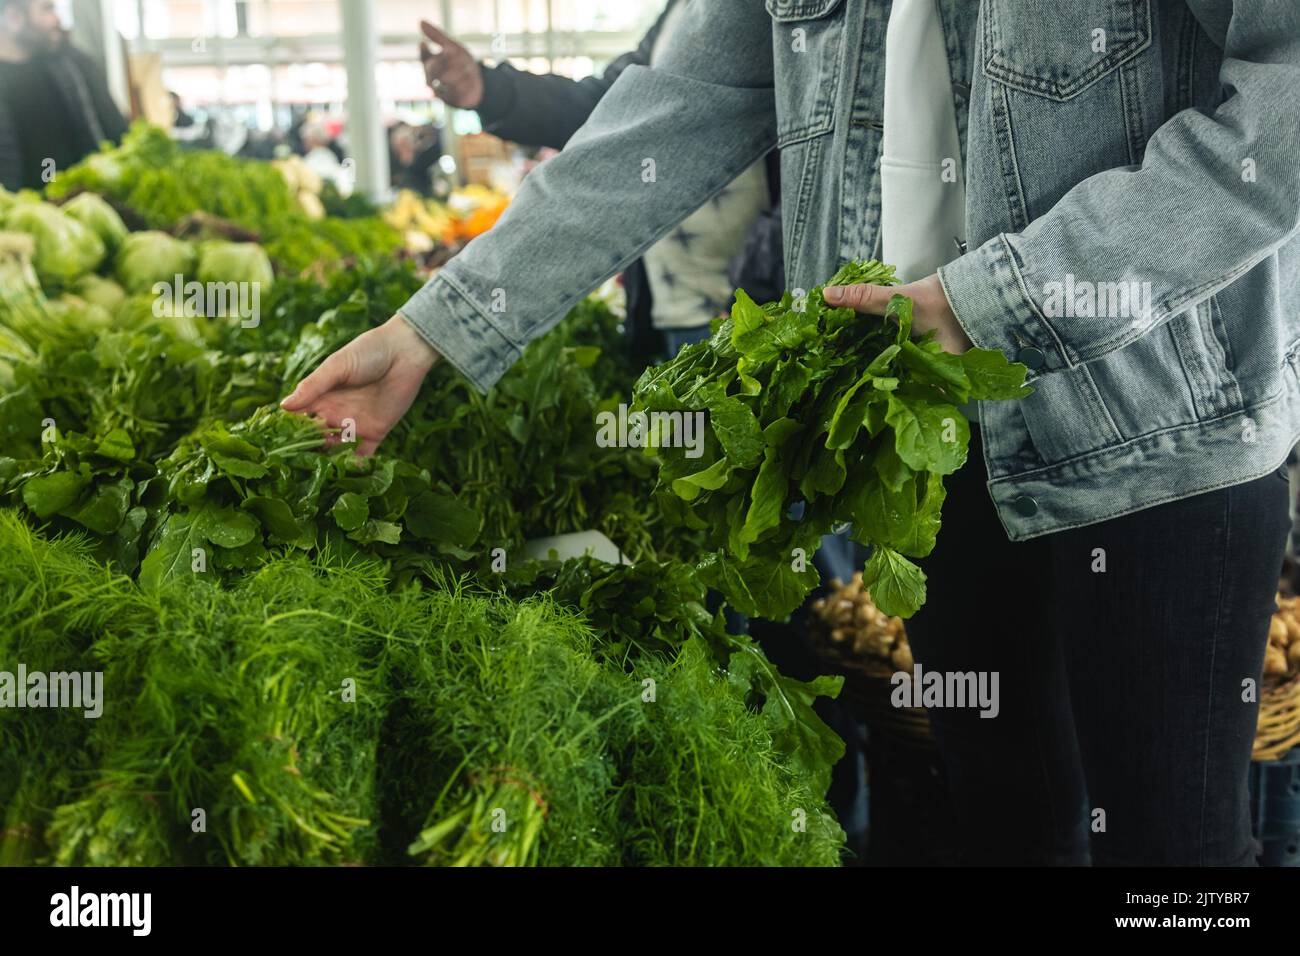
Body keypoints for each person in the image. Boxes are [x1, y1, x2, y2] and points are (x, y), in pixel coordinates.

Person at [285, 2, 1300, 866]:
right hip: (922, 430)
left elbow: (1283, 93)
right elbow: (674, 105)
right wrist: (436, 325)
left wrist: (1007, 296)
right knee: (1002, 821)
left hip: (1160, 428)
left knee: (1174, 855)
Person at [417, 8, 781, 363]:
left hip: (753, 309)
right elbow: (605, 105)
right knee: (675, 424)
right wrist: (489, 89)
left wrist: (766, 276)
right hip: (669, 306)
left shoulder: (771, 13)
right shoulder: (678, 13)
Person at [0, 0, 126, 191]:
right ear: (13, 17)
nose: (57, 18)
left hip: (81, 202)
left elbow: (114, 130)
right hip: (19, 212)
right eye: (46, 9)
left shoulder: (71, 67)